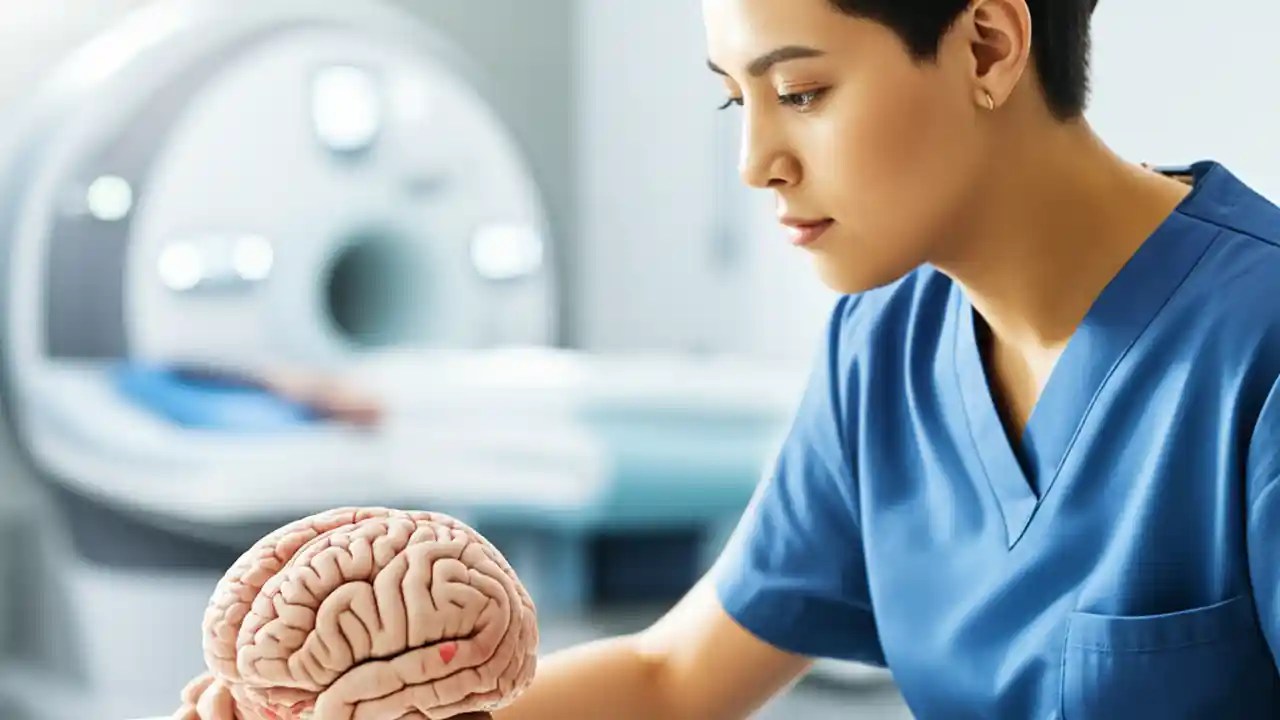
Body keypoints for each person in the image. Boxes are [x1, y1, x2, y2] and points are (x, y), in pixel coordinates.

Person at [184, 0, 1280, 717]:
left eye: (799, 92)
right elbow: (675, 678)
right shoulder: (884, 342)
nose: (754, 161)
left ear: (987, 46)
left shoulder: (1254, 348)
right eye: (732, 97)